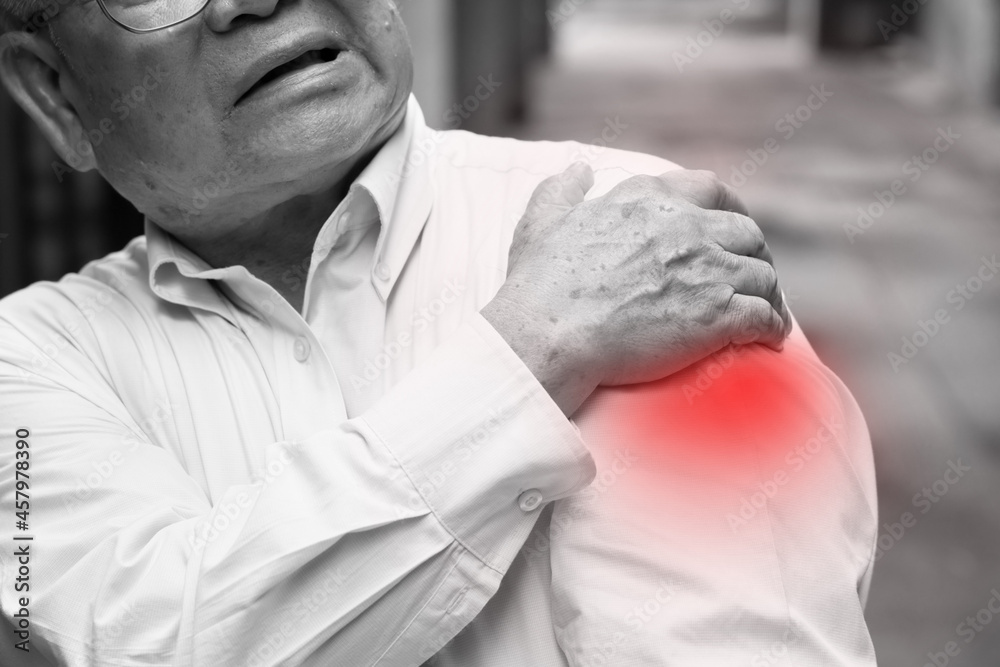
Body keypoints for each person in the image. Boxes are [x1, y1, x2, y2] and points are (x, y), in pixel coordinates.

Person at [0, 0, 876, 665]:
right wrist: (533, 353)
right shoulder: (29, 361)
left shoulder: (643, 232)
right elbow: (147, 641)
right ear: (55, 95)